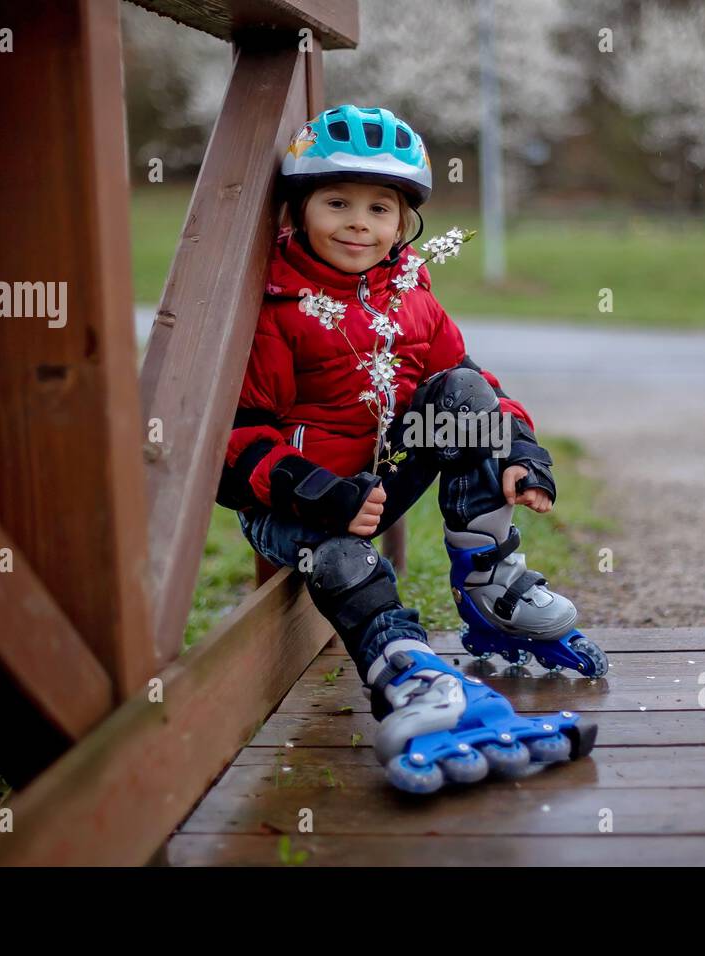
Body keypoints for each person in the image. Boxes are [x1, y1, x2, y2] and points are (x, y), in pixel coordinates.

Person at [216, 104, 604, 794]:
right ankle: (407, 666)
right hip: (295, 505)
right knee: (341, 559)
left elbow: (476, 385)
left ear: (404, 222)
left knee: (459, 388)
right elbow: (239, 441)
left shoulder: (411, 297)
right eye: (337, 202)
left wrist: (521, 451)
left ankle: (487, 581)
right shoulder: (277, 309)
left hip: (377, 482)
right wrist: (318, 492)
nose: (359, 222)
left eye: (379, 207)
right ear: (300, 210)